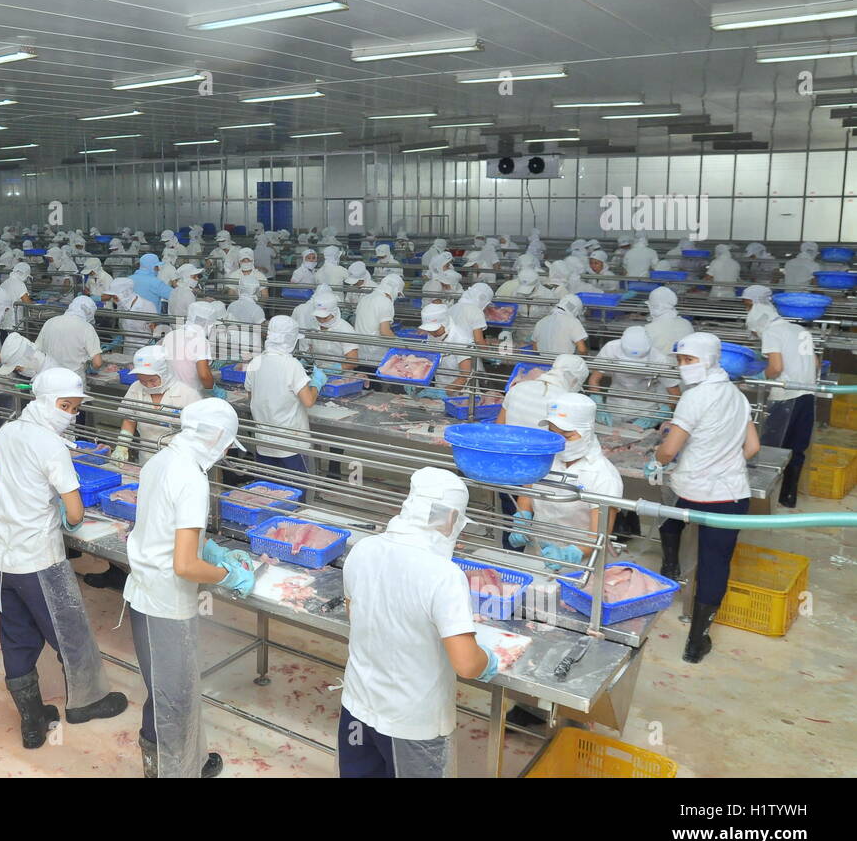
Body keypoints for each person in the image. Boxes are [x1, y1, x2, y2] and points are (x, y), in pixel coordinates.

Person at [0, 368, 128, 746]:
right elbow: (75, 513)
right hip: (38, 560)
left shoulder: (6, 432)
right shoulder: (51, 445)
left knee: (15, 637)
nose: (71, 414)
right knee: (70, 633)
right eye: (66, 406)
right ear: (46, 402)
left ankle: (32, 723)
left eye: (76, 408)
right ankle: (86, 702)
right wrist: (68, 514)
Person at [124, 397, 253, 778]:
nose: (227, 451)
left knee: (162, 689)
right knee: (175, 698)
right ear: (215, 438)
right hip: (166, 602)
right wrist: (227, 575)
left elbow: (159, 525)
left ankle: (170, 766)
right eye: (228, 443)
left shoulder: (159, 460)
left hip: (143, 592)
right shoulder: (193, 478)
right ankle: (176, 771)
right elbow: (184, 566)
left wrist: (203, 545)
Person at [338, 467, 496, 778]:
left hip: (356, 707)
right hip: (410, 723)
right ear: (452, 520)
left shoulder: (363, 549)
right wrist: (487, 659)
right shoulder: (443, 575)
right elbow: (466, 665)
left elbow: (353, 613)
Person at [649, 333, 759, 663]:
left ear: (709, 360)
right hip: (730, 496)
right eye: (681, 360)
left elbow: (669, 451)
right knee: (715, 564)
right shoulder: (738, 397)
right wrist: (722, 455)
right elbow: (752, 448)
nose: (684, 367)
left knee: (670, 517)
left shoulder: (693, 398)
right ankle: (696, 642)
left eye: (690, 360)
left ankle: (670, 566)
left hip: (691, 490)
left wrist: (659, 449)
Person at [508, 394, 623, 569]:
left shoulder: (603, 475)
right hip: (537, 551)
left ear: (587, 432)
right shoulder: (544, 458)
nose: (559, 442)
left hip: (580, 562)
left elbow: (599, 535)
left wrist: (568, 555)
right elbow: (527, 494)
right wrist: (522, 519)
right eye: (553, 434)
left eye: (567, 436)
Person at [748, 303, 818, 508]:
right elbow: (814, 363)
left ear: (759, 324)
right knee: (797, 448)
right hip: (807, 395)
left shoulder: (771, 331)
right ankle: (788, 497)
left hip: (785, 397)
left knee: (771, 448)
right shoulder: (799, 329)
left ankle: (763, 504)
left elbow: (776, 367)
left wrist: (759, 378)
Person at [245, 316, 323, 474]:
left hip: (264, 442)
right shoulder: (292, 365)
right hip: (291, 444)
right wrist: (317, 383)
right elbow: (308, 401)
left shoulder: (255, 362)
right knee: (295, 492)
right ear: (291, 340)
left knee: (268, 492)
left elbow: (251, 396)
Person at [587, 326, 680, 427]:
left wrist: (658, 415)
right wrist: (598, 403)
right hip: (615, 405)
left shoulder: (659, 359)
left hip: (645, 410)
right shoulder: (611, 348)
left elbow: (675, 394)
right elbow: (594, 379)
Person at [497, 353, 588, 428]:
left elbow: (499, 427)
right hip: (542, 449)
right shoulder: (568, 402)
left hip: (511, 447)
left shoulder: (517, 388)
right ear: (574, 381)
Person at [36, 296, 102, 383]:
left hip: (49, 378)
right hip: (72, 380)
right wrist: (91, 368)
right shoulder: (87, 328)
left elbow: (36, 350)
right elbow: (97, 363)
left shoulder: (50, 322)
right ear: (89, 312)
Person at [161, 301, 219, 396]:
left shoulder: (171, 335)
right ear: (209, 323)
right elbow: (204, 375)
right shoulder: (200, 341)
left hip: (169, 391)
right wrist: (213, 390)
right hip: (190, 394)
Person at [352, 273, 403, 374]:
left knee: (365, 380)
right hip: (375, 352)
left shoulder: (365, 298)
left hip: (361, 350)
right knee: (375, 382)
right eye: (398, 294)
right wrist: (400, 343)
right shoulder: (385, 301)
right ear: (394, 290)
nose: (396, 297)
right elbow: (384, 331)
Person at [643, 286, 693, 365]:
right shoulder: (686, 323)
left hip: (662, 373)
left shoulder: (648, 329)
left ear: (654, 306)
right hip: (686, 368)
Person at [104, 277, 157, 351]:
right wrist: (115, 342)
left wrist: (153, 344)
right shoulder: (121, 306)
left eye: (115, 297)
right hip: (128, 348)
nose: (114, 300)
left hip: (145, 348)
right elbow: (124, 330)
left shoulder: (147, 306)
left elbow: (155, 330)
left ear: (125, 293)